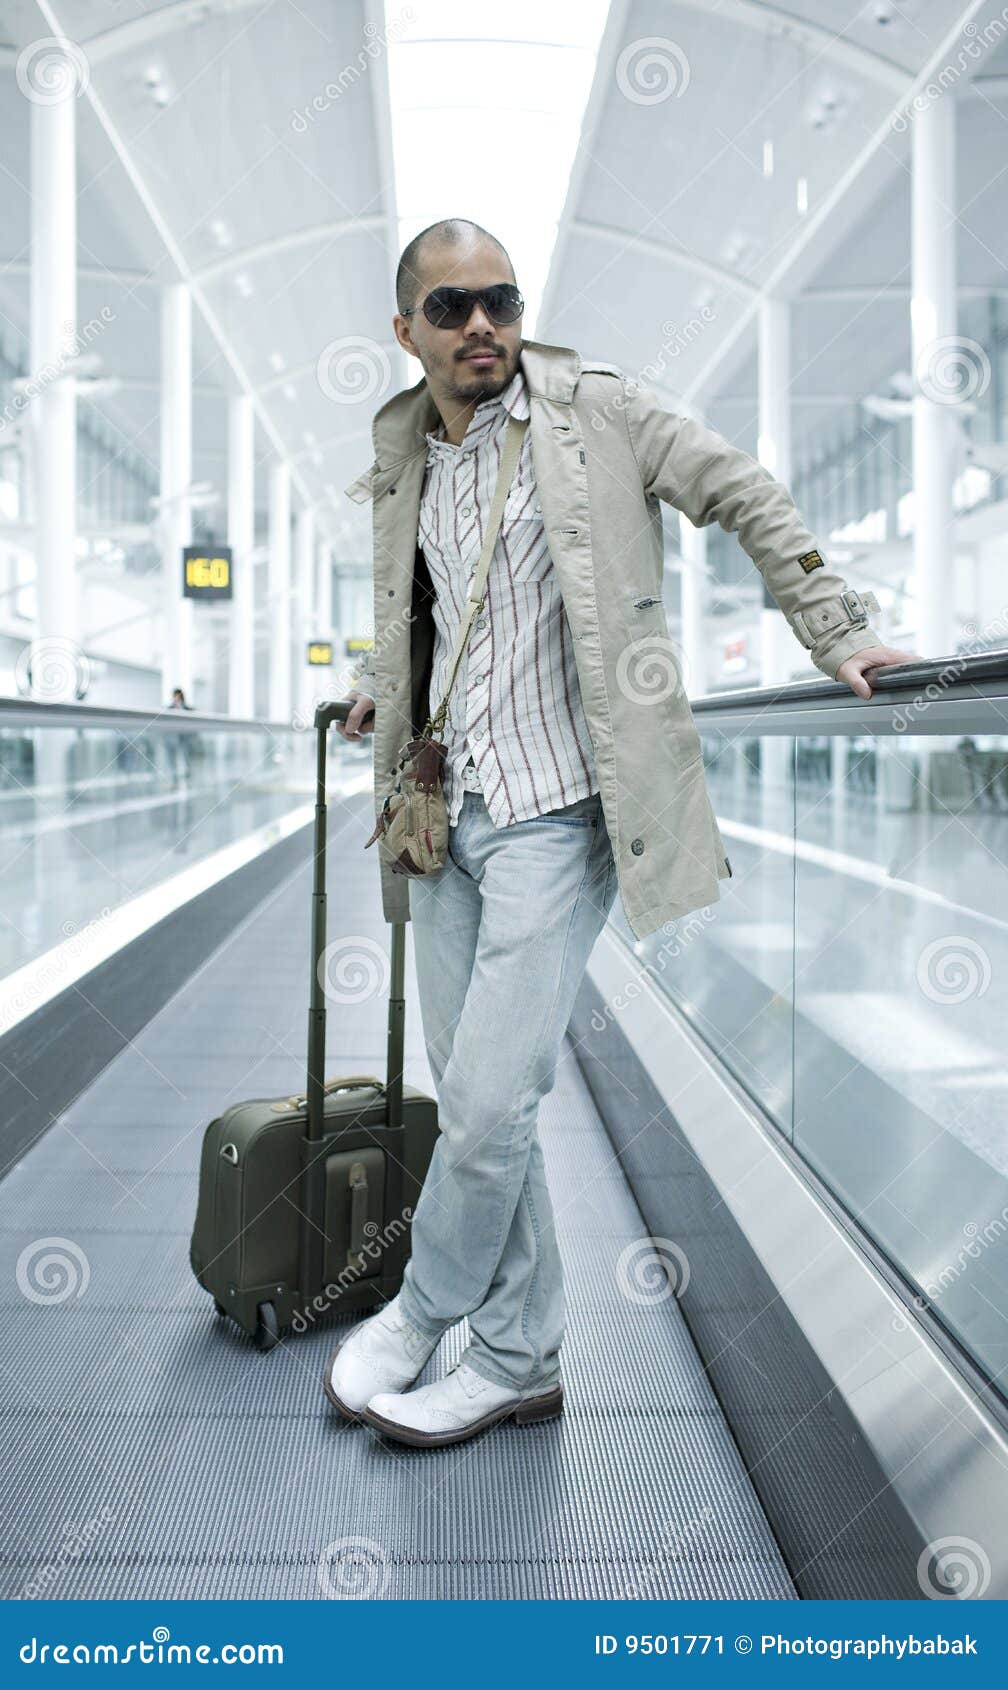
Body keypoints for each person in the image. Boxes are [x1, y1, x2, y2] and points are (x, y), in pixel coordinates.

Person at [324, 218, 920, 1449]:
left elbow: (741, 490)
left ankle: (426, 1307)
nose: (482, 323)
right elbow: (426, 607)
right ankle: (520, 1358)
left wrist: (839, 626)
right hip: (443, 815)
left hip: (559, 812)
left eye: (499, 299)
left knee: (487, 1106)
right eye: (451, 308)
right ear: (407, 332)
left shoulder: (599, 411)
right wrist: (390, 681)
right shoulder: (403, 450)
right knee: (490, 1096)